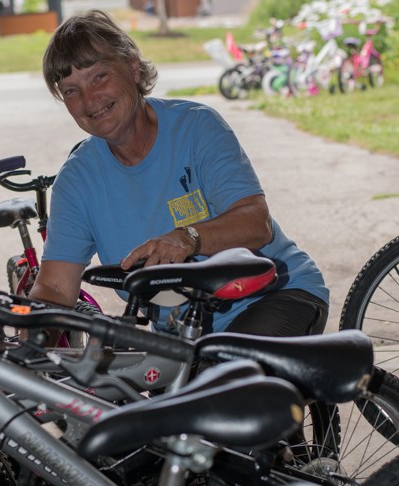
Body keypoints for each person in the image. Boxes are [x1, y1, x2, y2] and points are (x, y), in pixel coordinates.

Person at [29, 9, 329, 338]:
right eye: (71, 90)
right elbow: (55, 289)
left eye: (99, 76)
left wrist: (187, 238)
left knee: (225, 381)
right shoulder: (77, 181)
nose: (89, 99)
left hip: (273, 296)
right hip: (183, 331)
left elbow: (256, 222)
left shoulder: (196, 127)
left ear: (133, 68)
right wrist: (20, 341)